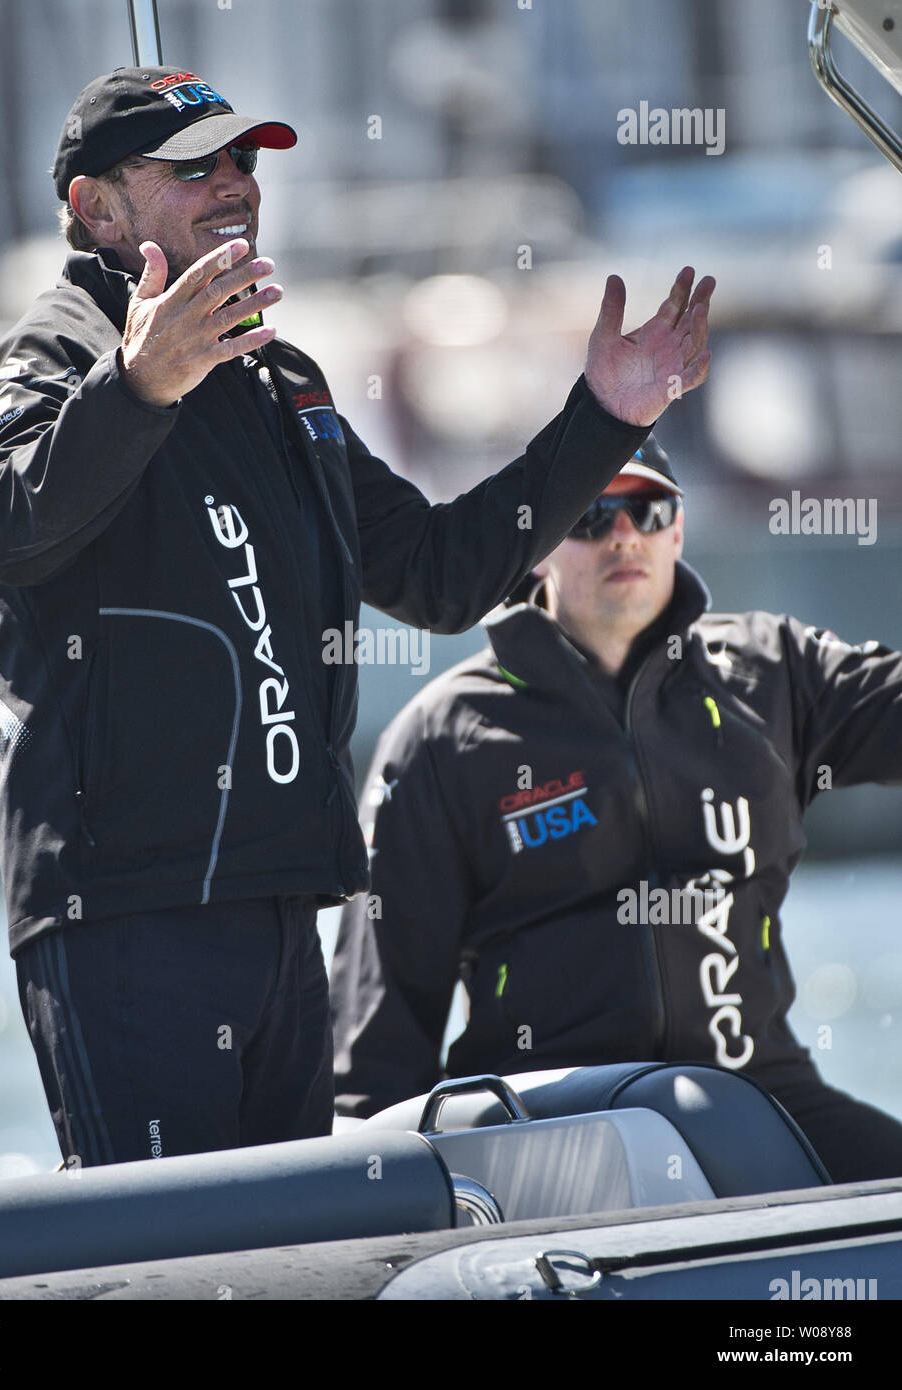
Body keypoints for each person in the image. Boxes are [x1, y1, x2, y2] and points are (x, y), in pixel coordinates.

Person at [0, 66, 713, 1165]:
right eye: (194, 166)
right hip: (125, 916)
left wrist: (603, 419)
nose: (234, 185)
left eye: (243, 161)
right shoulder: (50, 355)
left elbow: (441, 574)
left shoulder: (280, 384)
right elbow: (10, 528)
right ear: (96, 206)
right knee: (175, 1263)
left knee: (287, 1264)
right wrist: (137, 385)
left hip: (281, 908)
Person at [330, 440, 902, 1184]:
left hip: (761, 1092)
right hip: (556, 1125)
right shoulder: (442, 738)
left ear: (677, 531)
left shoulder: (774, 673)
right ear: (534, 546)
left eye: (646, 509)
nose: (623, 534)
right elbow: (378, 1036)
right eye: (590, 515)